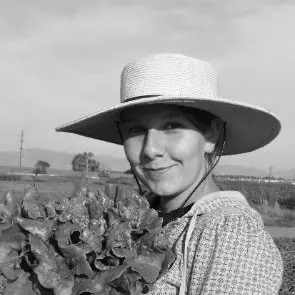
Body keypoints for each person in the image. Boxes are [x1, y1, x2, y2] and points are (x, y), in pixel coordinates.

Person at [56, 54, 283, 294]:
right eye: (135, 129)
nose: (150, 149)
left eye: (172, 126)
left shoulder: (230, 235)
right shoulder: (127, 219)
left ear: (211, 136)